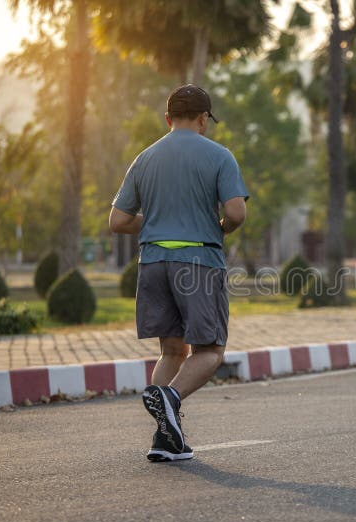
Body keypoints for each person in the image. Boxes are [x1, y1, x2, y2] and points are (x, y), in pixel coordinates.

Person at [109, 85, 248, 462]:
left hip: (153, 262)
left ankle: (165, 440)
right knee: (210, 351)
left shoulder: (144, 158)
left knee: (172, 351)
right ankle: (168, 396)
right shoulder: (219, 156)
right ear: (204, 119)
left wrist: (156, 222)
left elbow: (118, 220)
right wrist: (219, 226)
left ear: (168, 119)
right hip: (198, 263)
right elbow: (236, 213)